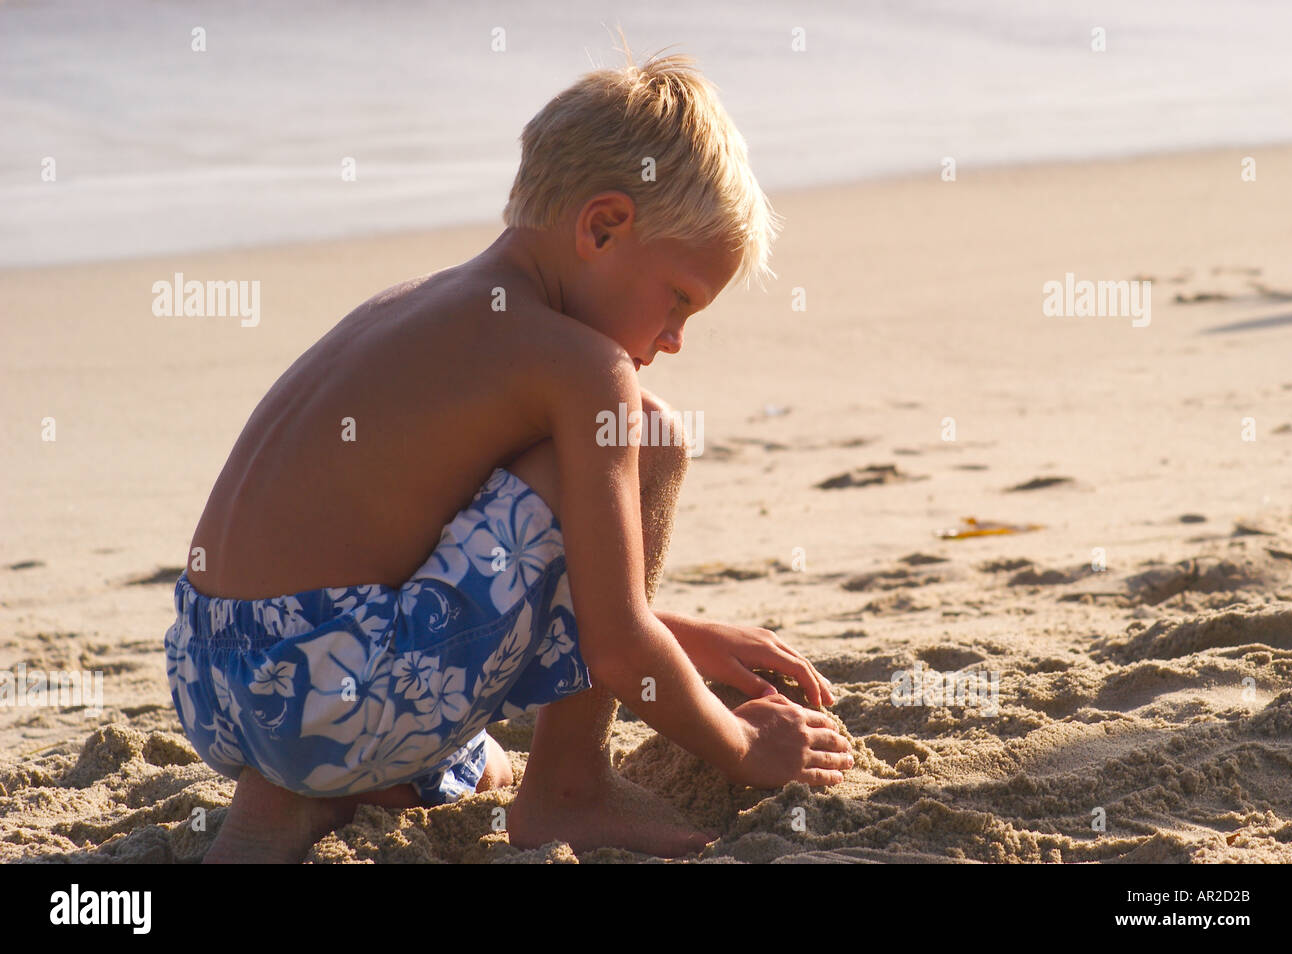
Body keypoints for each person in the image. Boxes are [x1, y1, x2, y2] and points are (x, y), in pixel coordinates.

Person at [165, 39, 852, 864]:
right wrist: (743, 749)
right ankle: (571, 789)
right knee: (652, 434)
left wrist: (687, 637)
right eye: (679, 300)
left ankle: (293, 797)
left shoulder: (422, 308)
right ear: (603, 226)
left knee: (480, 764)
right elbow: (617, 646)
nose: (673, 338)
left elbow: (408, 555)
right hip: (329, 695)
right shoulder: (585, 370)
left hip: (217, 683)